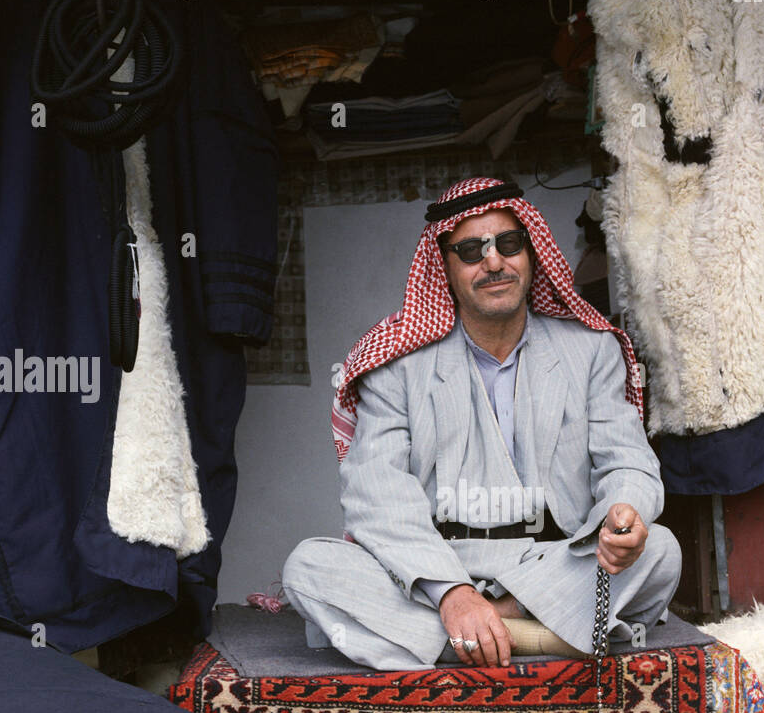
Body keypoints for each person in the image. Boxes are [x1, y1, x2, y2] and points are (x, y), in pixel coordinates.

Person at [282, 176, 681, 670]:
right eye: (471, 250)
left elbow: (629, 462)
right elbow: (375, 494)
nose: (494, 261)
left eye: (509, 244)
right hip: (437, 566)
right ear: (444, 267)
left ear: (531, 253)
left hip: (552, 560)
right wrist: (453, 594)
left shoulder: (590, 350)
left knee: (659, 551)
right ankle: (543, 636)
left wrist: (624, 512)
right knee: (310, 567)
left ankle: (475, 635)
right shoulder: (396, 366)